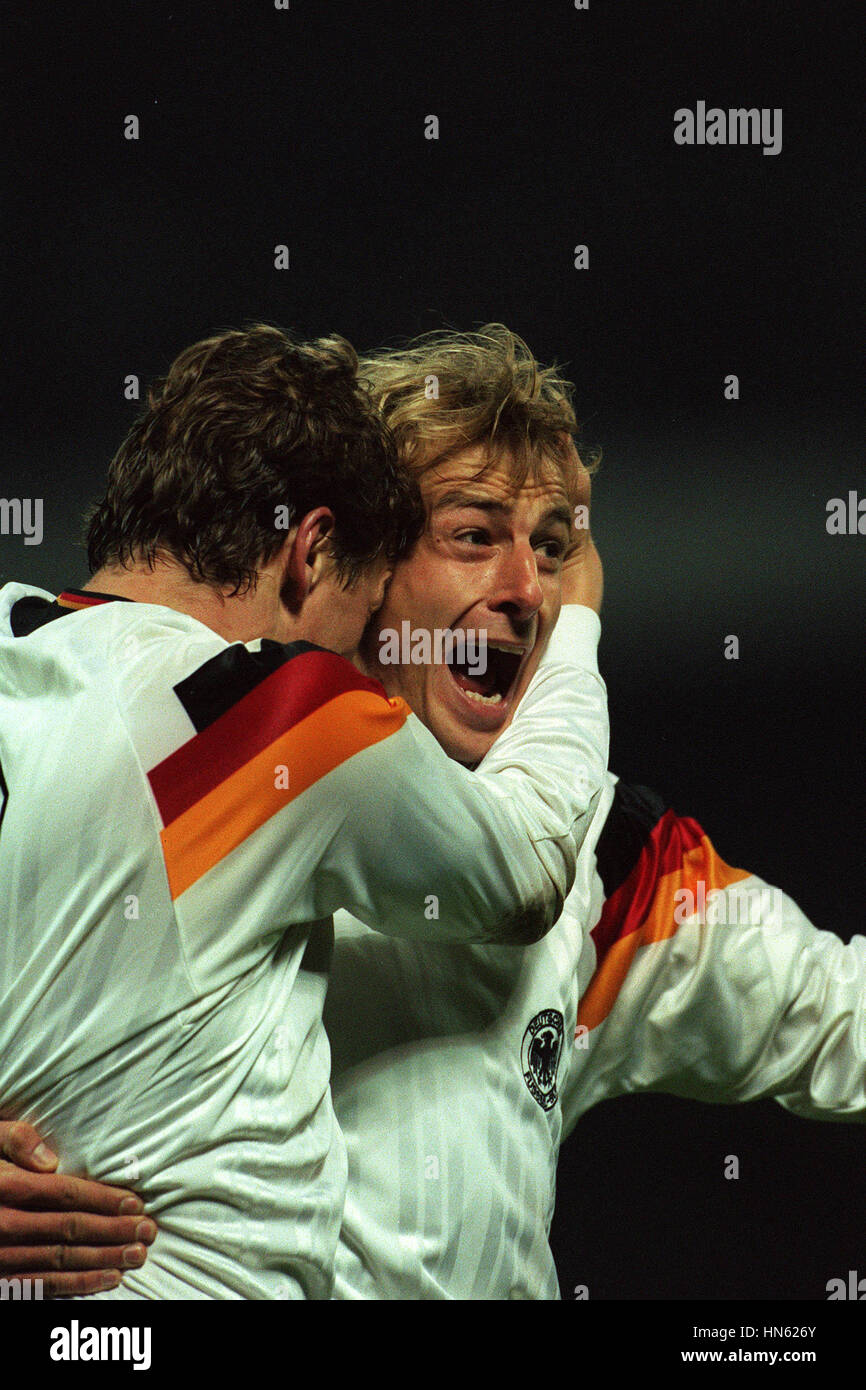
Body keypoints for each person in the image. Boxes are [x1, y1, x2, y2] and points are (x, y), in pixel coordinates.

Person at [8, 325, 860, 1301]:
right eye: (472, 535)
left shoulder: (609, 861)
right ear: (357, 561)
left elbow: (842, 1020)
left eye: (551, 551)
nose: (527, 592)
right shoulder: (177, 773)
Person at [0, 324, 610, 1299]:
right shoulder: (283, 716)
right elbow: (531, 866)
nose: (358, 652)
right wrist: (573, 623)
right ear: (310, 552)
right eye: (359, 613)